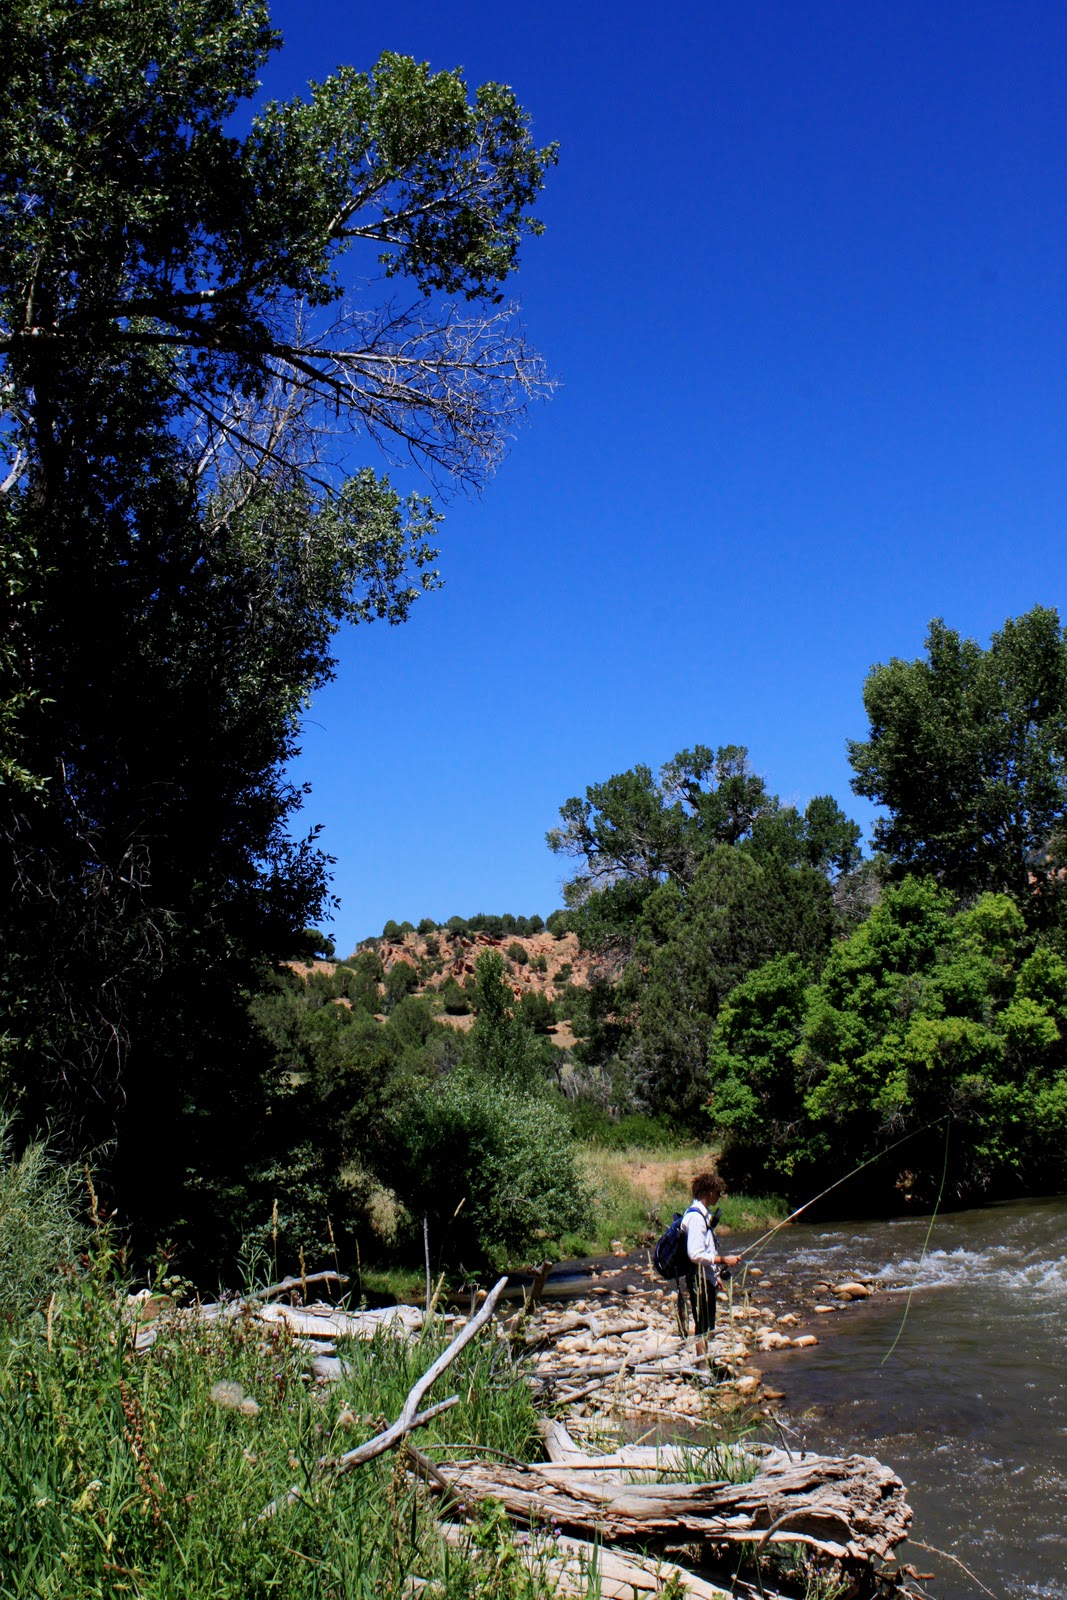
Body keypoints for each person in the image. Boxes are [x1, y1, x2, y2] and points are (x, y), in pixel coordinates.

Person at [680, 1171, 740, 1354]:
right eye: (717, 1192)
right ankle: (702, 1366)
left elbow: (706, 1250)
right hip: (698, 1279)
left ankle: (704, 1362)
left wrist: (715, 1277)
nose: (719, 1196)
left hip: (705, 1277)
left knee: (706, 1323)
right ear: (708, 1191)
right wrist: (723, 1259)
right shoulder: (697, 1218)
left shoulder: (702, 1215)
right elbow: (695, 1254)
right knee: (703, 1325)